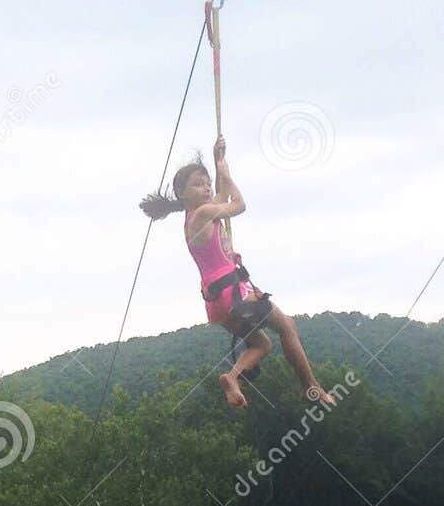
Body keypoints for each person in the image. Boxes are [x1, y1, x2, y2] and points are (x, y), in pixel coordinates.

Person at [140, 136, 333, 410]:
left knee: (262, 345)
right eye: (198, 184)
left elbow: (221, 197)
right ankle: (310, 386)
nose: (206, 188)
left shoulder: (196, 216)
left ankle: (232, 377)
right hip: (233, 294)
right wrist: (226, 174)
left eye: (207, 182)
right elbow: (238, 204)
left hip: (218, 302)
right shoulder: (203, 214)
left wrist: (218, 162)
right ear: (182, 193)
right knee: (287, 326)